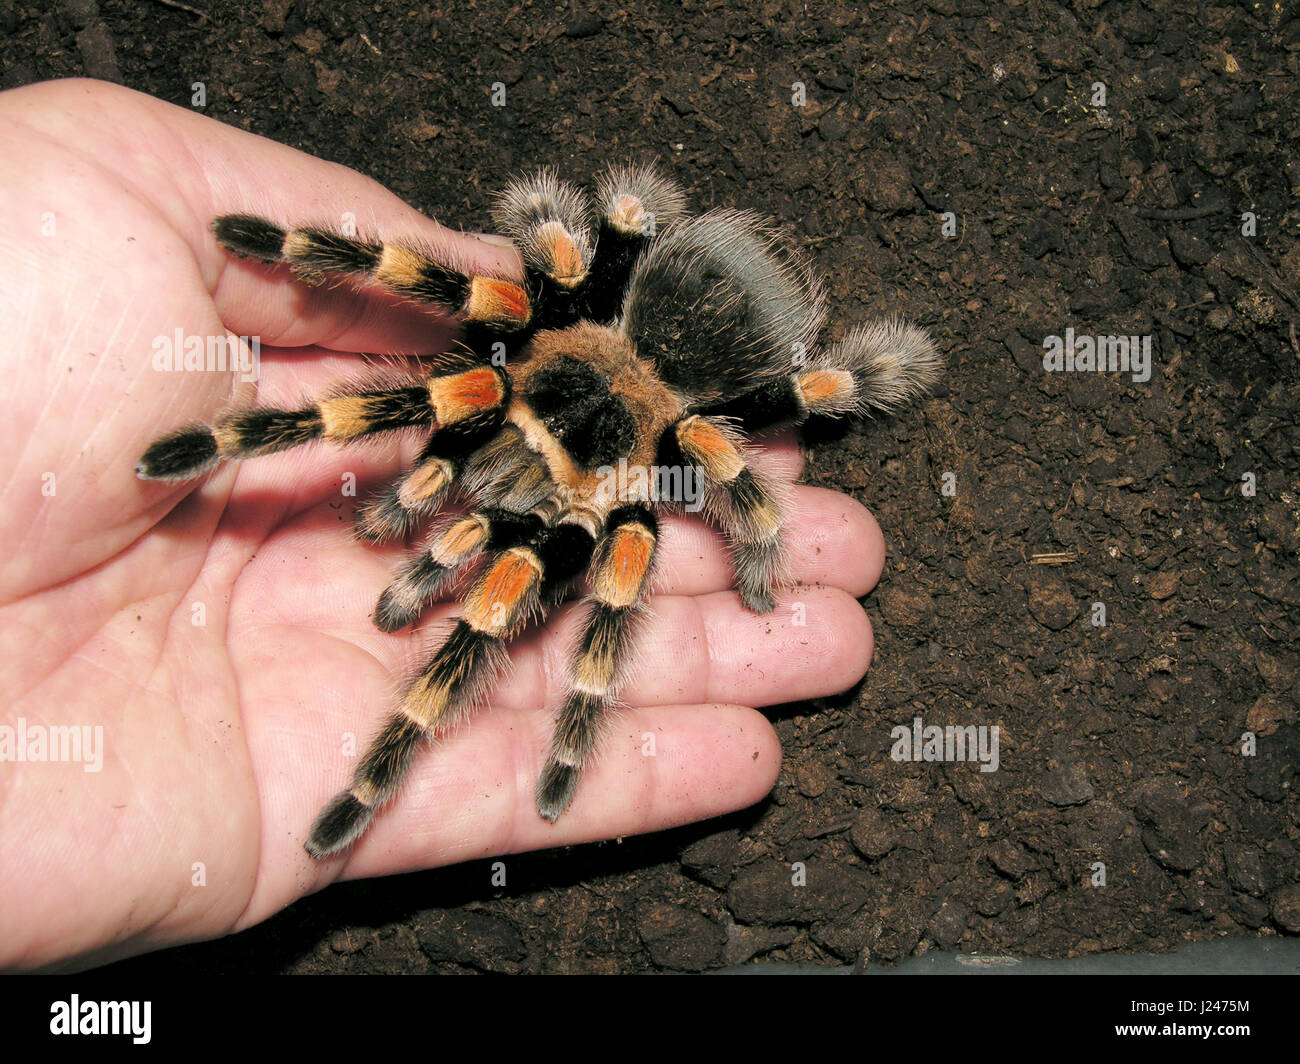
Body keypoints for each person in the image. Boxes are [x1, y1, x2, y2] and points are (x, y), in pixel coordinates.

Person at [0, 79, 884, 970]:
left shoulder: (681, 437)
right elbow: (471, 251)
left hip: (706, 367)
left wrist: (595, 696)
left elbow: (720, 469)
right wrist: (299, 258)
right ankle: (232, 439)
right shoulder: (511, 362)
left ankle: (384, 765)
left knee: (515, 571)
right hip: (608, 344)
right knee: (470, 326)